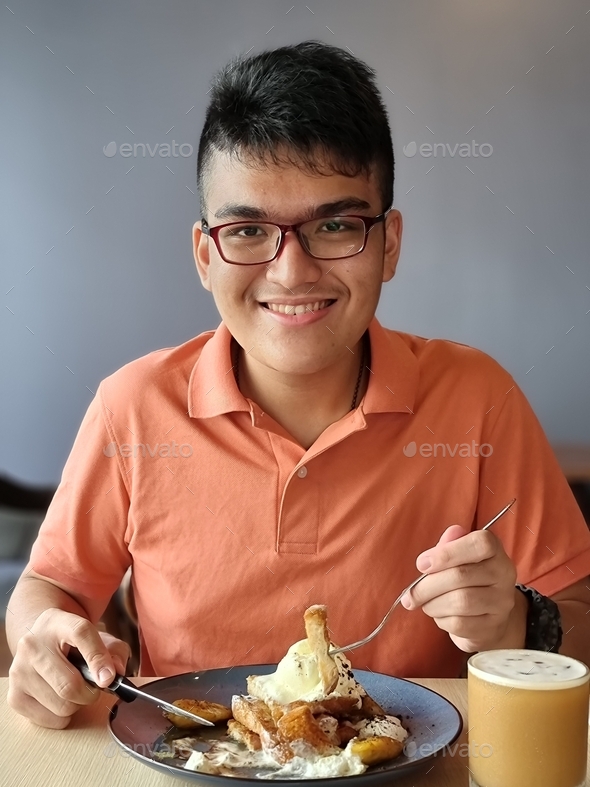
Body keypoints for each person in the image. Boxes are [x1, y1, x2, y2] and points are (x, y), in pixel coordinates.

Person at [6, 40, 590, 730]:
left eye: (336, 224)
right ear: (204, 254)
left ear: (389, 244)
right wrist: (46, 637)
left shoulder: (478, 397)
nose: (291, 273)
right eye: (249, 229)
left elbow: (579, 622)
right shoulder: (131, 406)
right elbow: (53, 588)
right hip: (191, 759)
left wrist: (518, 621)